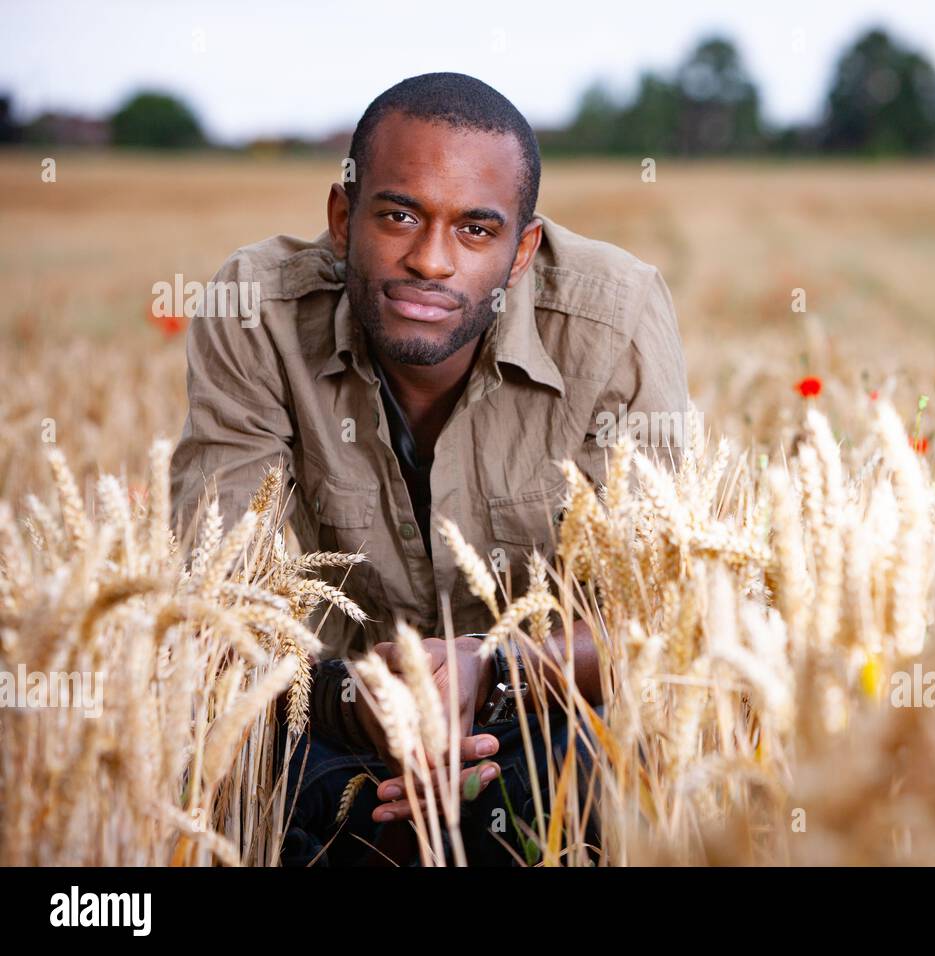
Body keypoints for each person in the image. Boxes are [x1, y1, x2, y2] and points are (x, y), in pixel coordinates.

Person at [170, 72, 689, 864]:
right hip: (320, 718)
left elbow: (662, 619)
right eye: (399, 215)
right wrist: (357, 698)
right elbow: (220, 607)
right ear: (343, 219)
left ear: (522, 252)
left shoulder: (611, 318)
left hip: (543, 713)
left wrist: (499, 670)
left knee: (619, 768)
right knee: (195, 749)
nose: (431, 261)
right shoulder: (256, 311)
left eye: (476, 230)